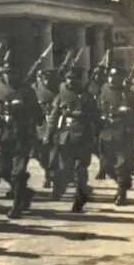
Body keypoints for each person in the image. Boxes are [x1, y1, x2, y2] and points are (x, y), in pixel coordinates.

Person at [0, 58, 43, 218]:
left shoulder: (27, 91)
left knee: (17, 173)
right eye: (5, 73)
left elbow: (38, 115)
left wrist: (22, 110)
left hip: (22, 136)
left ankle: (16, 206)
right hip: (4, 136)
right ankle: (25, 193)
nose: (8, 76)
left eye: (11, 73)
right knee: (3, 171)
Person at [44, 67, 99, 212]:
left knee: (80, 169)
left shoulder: (87, 96)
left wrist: (81, 115)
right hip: (64, 137)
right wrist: (48, 134)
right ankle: (83, 189)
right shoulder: (61, 95)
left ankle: (79, 201)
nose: (70, 81)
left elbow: (96, 116)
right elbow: (53, 116)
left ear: (79, 81)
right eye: (68, 78)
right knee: (65, 169)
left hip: (83, 137)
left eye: (73, 79)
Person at [96, 66, 134, 206]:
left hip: (123, 133)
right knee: (106, 165)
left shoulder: (129, 94)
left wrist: (128, 111)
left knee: (121, 165)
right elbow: (98, 109)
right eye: (110, 76)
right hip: (107, 132)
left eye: (115, 76)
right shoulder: (103, 91)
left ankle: (121, 193)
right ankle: (124, 182)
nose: (112, 79)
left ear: (121, 78)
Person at [32, 69, 59, 188]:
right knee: (40, 154)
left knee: (53, 154)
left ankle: (50, 176)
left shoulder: (58, 90)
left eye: (49, 79)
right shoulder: (36, 89)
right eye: (45, 79)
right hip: (40, 125)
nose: (47, 82)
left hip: (55, 126)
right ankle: (48, 171)